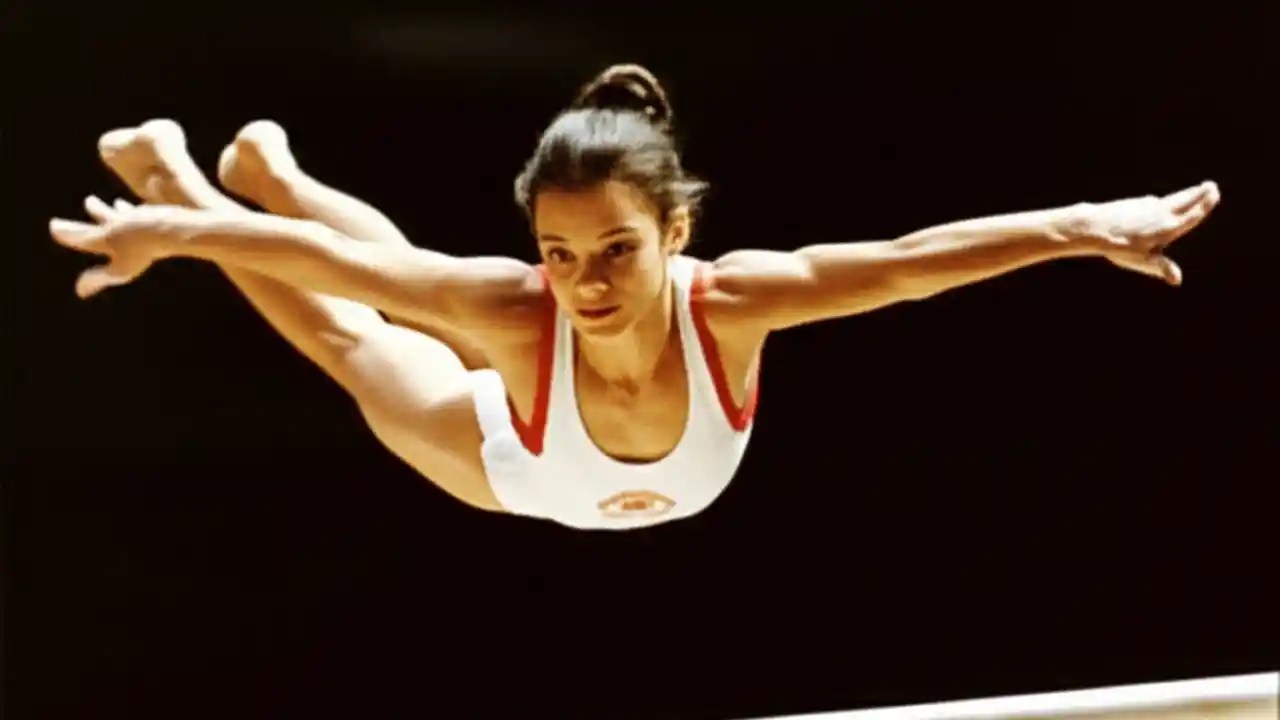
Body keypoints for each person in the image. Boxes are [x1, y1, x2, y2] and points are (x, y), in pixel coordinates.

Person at [50, 63, 1222, 531]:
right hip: (515, 466)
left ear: (676, 230)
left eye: (614, 250)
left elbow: (914, 259)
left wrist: (1083, 230)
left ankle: (276, 179)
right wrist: (173, 225)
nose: (584, 285)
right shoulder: (522, 307)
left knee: (417, 299)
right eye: (558, 254)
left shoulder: (735, 304)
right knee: (360, 335)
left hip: (574, 453)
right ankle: (196, 167)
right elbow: (346, 276)